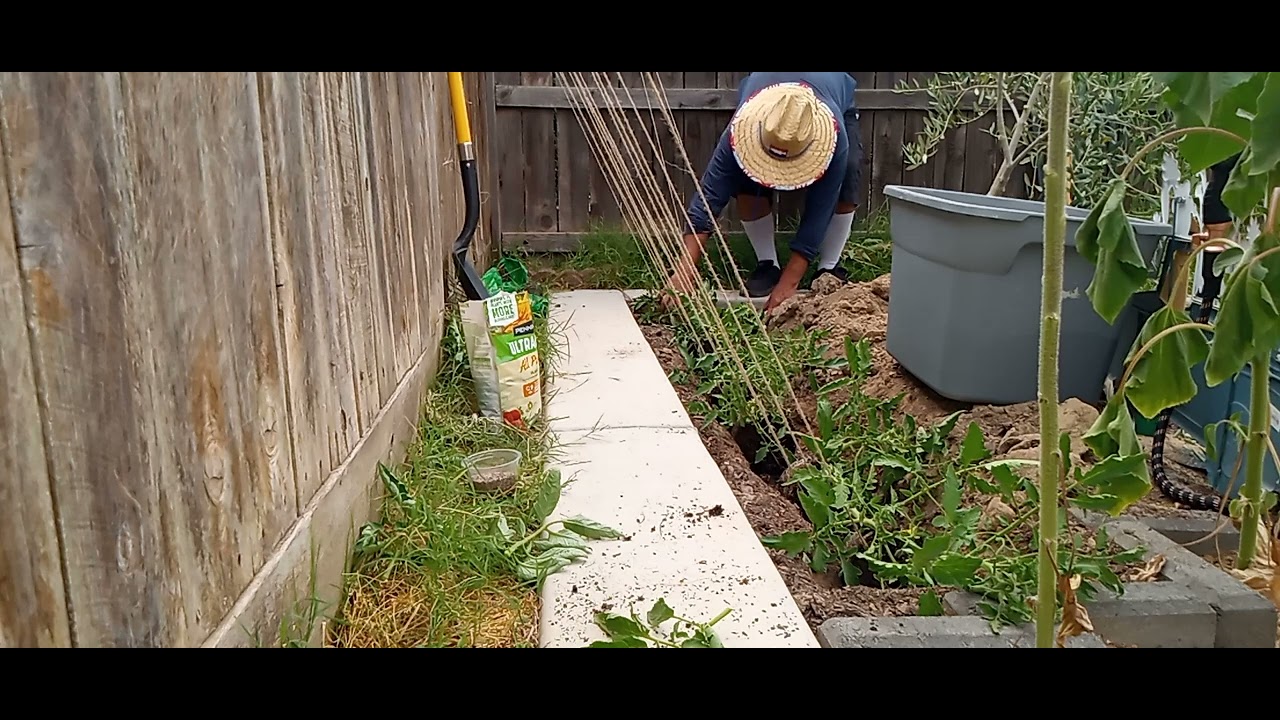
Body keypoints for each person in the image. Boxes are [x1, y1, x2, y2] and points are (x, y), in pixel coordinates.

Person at [665, 72, 863, 311]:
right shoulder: (742, 125)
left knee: (848, 174)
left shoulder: (834, 136)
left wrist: (790, 283)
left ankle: (828, 269)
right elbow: (709, 197)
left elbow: (821, 209)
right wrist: (684, 270)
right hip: (766, 94)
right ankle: (767, 264)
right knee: (746, 178)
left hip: (832, 93)